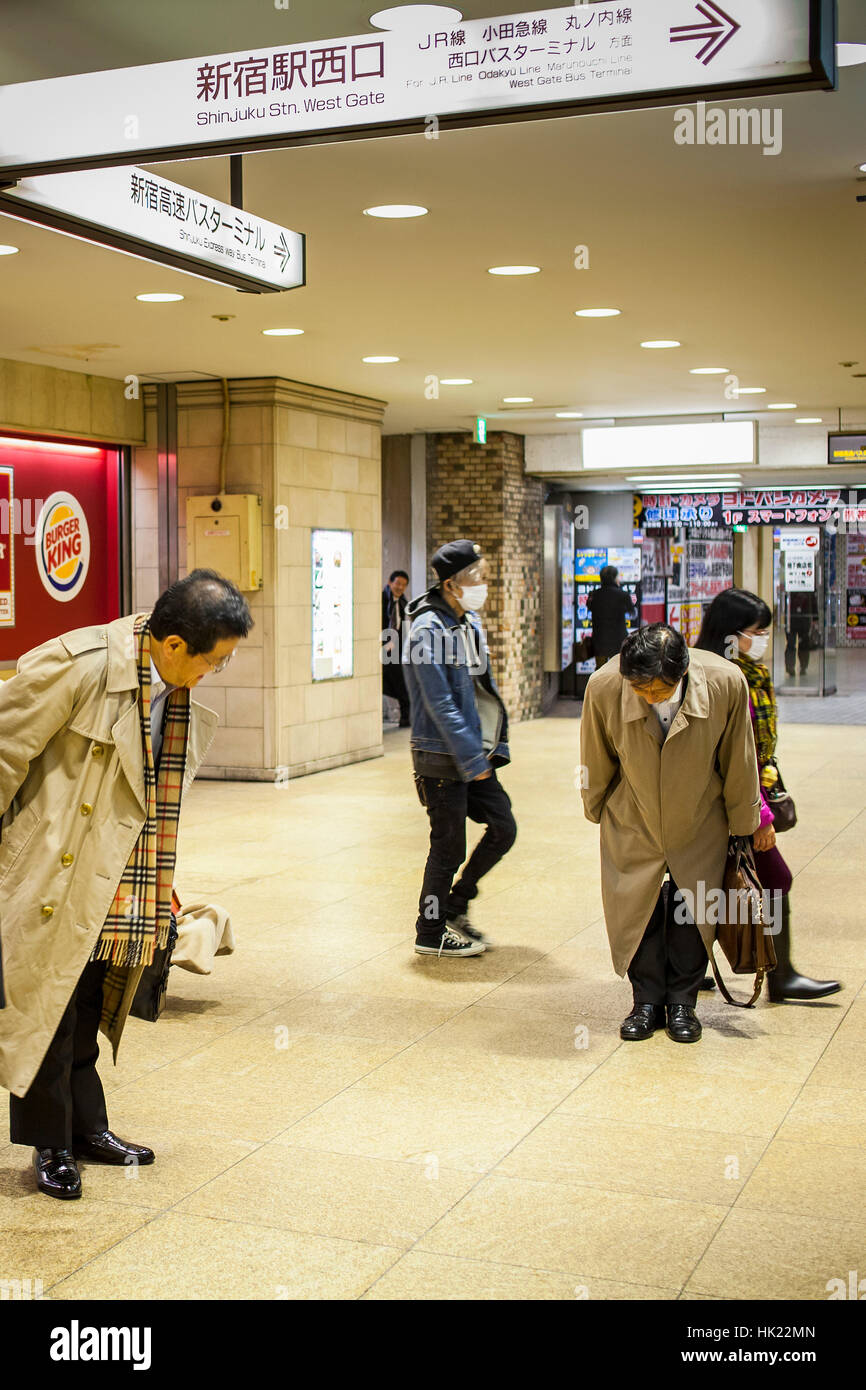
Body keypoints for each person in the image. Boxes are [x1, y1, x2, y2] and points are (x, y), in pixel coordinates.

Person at [0, 569, 253, 1199]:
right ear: (173, 646)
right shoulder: (80, 665)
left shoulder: (171, 686)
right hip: (53, 863)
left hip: (117, 869)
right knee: (50, 1003)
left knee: (89, 994)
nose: (212, 674)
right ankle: (49, 1142)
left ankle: (86, 1128)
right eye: (213, 662)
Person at [580, 624, 761, 1043]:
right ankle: (645, 1000)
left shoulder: (725, 682)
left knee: (693, 908)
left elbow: (740, 757)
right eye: (639, 689)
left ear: (682, 674)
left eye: (658, 690)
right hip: (633, 813)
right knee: (634, 907)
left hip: (700, 815)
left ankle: (682, 1002)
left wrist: (744, 825)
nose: (647, 697)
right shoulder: (605, 685)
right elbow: (594, 752)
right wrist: (596, 807)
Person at [696, 588, 840, 1001]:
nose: (762, 640)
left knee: (703, 884)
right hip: (726, 801)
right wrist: (758, 815)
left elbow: (757, 748)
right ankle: (781, 976)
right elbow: (732, 754)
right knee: (771, 878)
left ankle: (686, 968)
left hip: (748, 792)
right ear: (729, 633)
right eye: (755, 632)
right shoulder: (718, 677)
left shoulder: (749, 672)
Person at [404, 539, 516, 958]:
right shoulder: (425, 630)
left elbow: (477, 690)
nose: (484, 584)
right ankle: (429, 932)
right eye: (477, 577)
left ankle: (454, 905)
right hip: (441, 757)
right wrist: (472, 760)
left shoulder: (465, 623)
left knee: (503, 828)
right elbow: (440, 704)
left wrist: (488, 748)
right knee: (447, 847)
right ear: (452, 584)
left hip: (473, 753)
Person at [586, 565, 637, 668]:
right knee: (618, 670)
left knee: (600, 671)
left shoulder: (594, 594)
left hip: (599, 641)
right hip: (618, 641)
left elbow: (589, 610)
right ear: (614, 578)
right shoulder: (623, 595)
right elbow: (633, 614)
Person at [382, 569, 411, 726]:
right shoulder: (381, 600)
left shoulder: (402, 602)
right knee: (391, 682)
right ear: (390, 582)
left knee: (401, 682)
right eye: (397, 583)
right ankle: (406, 717)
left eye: (403, 585)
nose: (400, 587)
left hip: (395, 650)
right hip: (382, 648)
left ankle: (406, 718)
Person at [786, 590, 817, 678]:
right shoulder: (790, 585)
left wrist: (815, 618)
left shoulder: (808, 585)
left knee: (803, 644)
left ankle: (803, 666)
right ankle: (790, 667)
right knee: (791, 644)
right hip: (791, 619)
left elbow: (813, 601)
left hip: (804, 618)